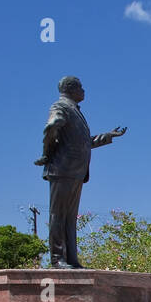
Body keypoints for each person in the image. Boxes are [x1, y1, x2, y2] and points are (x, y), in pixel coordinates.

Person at [35, 76, 127, 269]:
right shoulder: (61, 106)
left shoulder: (75, 111)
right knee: (58, 215)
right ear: (71, 88)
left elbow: (84, 143)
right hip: (62, 169)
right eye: (81, 88)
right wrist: (47, 153)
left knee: (69, 217)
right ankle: (57, 259)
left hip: (75, 172)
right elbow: (51, 126)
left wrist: (108, 136)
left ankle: (72, 259)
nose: (84, 91)